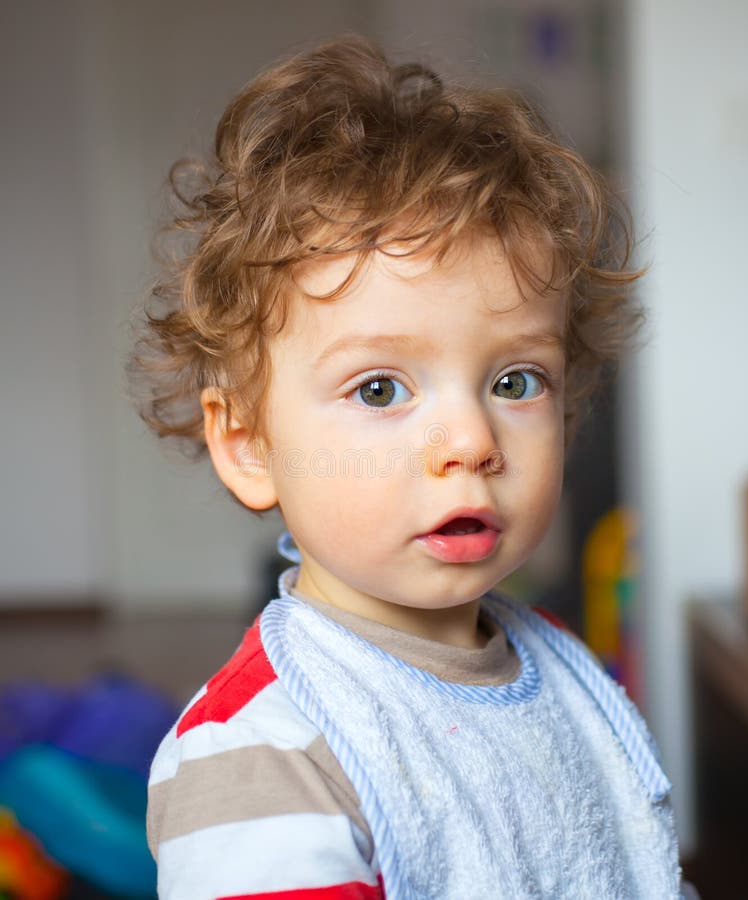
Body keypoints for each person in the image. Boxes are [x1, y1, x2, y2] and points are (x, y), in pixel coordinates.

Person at [133, 35, 684, 899]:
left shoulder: (566, 671)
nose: (470, 439)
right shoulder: (264, 758)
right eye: (381, 388)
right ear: (247, 444)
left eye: (514, 380)